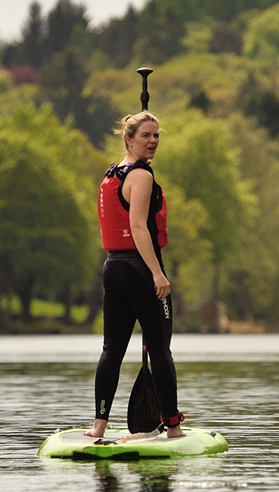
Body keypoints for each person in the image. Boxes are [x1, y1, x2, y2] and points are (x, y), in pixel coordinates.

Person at [86, 111, 185, 439]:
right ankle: (172, 428)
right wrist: (157, 274)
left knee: (111, 349)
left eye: (156, 135)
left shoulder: (114, 172)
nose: (153, 141)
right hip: (140, 269)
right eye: (145, 135)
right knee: (160, 349)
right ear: (129, 139)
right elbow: (138, 226)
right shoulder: (141, 176)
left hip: (113, 268)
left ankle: (98, 426)